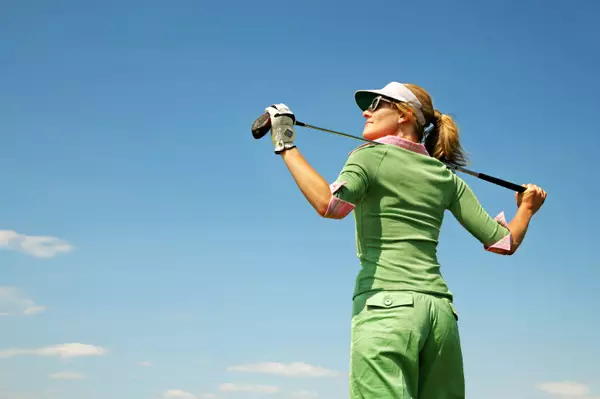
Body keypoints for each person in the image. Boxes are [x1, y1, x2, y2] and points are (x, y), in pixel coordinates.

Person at [263, 81, 546, 399]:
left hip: (388, 309)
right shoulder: (446, 177)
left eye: (377, 104)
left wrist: (285, 143)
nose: (366, 112)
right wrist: (527, 209)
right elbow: (503, 243)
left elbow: (329, 205)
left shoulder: (370, 158)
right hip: (441, 318)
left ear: (404, 114)